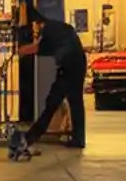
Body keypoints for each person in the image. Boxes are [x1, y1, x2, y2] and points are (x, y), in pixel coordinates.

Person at [16, 9, 87, 155]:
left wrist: (21, 51)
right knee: (74, 102)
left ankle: (31, 137)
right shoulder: (60, 27)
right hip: (75, 64)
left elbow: (37, 48)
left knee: (54, 102)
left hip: (70, 67)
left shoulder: (49, 29)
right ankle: (78, 138)